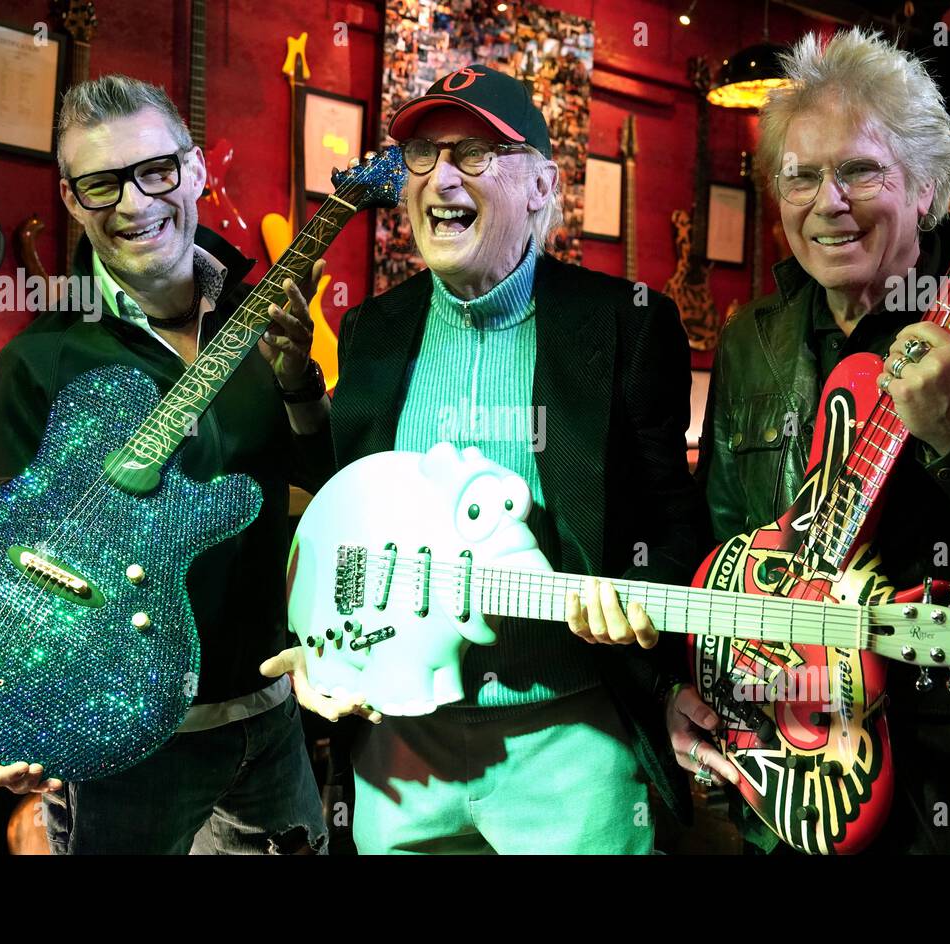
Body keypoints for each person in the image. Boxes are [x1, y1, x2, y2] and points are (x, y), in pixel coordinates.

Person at [667, 29, 950, 854]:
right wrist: (693, 686)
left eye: (859, 171)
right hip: (786, 785)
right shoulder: (754, 341)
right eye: (801, 176)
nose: (826, 201)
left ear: (927, 188)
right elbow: (728, 556)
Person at [266, 63, 705, 854]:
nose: (440, 178)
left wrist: (635, 598)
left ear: (541, 185)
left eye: (472, 153)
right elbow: (338, 509)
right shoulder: (372, 330)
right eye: (422, 157)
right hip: (400, 751)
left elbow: (677, 523)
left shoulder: (626, 325)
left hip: (570, 742)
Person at [0, 74, 347, 854]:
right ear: (69, 197)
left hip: (272, 720)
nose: (133, 204)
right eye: (101, 184)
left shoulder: (269, 325)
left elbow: (324, 493)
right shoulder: (38, 363)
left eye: (155, 171)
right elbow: (12, 573)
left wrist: (300, 387)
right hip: (125, 747)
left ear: (194, 171)